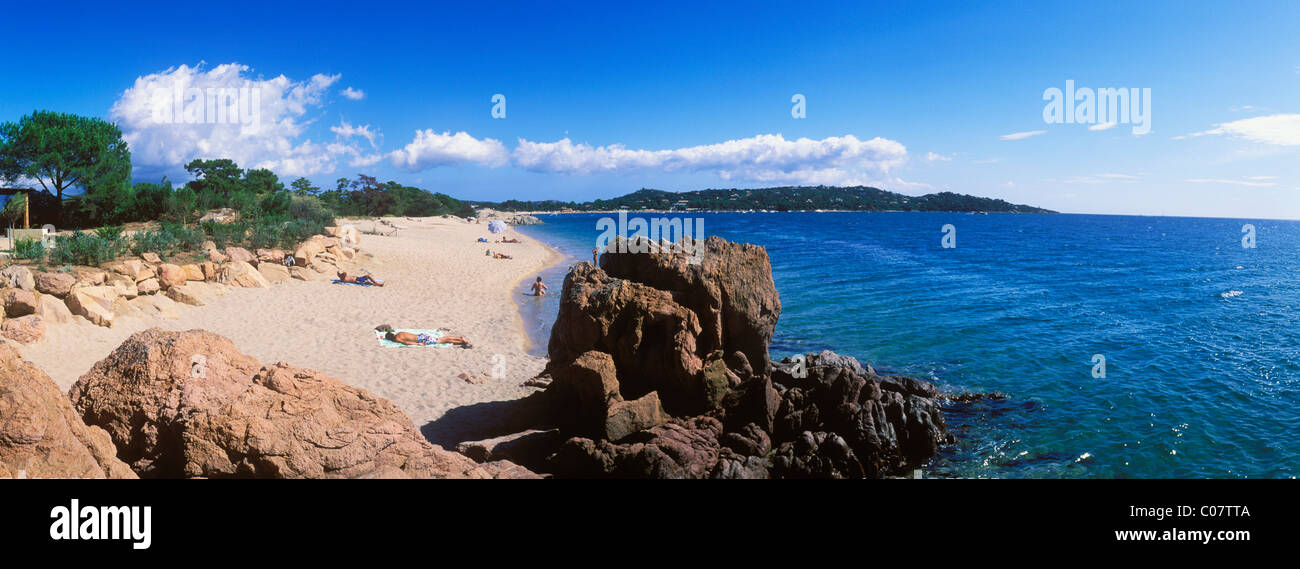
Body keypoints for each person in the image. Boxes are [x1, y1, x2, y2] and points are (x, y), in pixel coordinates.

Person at [375, 325, 472, 348]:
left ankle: (462, 341)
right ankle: (460, 339)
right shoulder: (399, 333)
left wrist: (418, 344)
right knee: (442, 339)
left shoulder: (397, 339)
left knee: (443, 341)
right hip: (422, 335)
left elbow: (407, 342)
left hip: (422, 339)